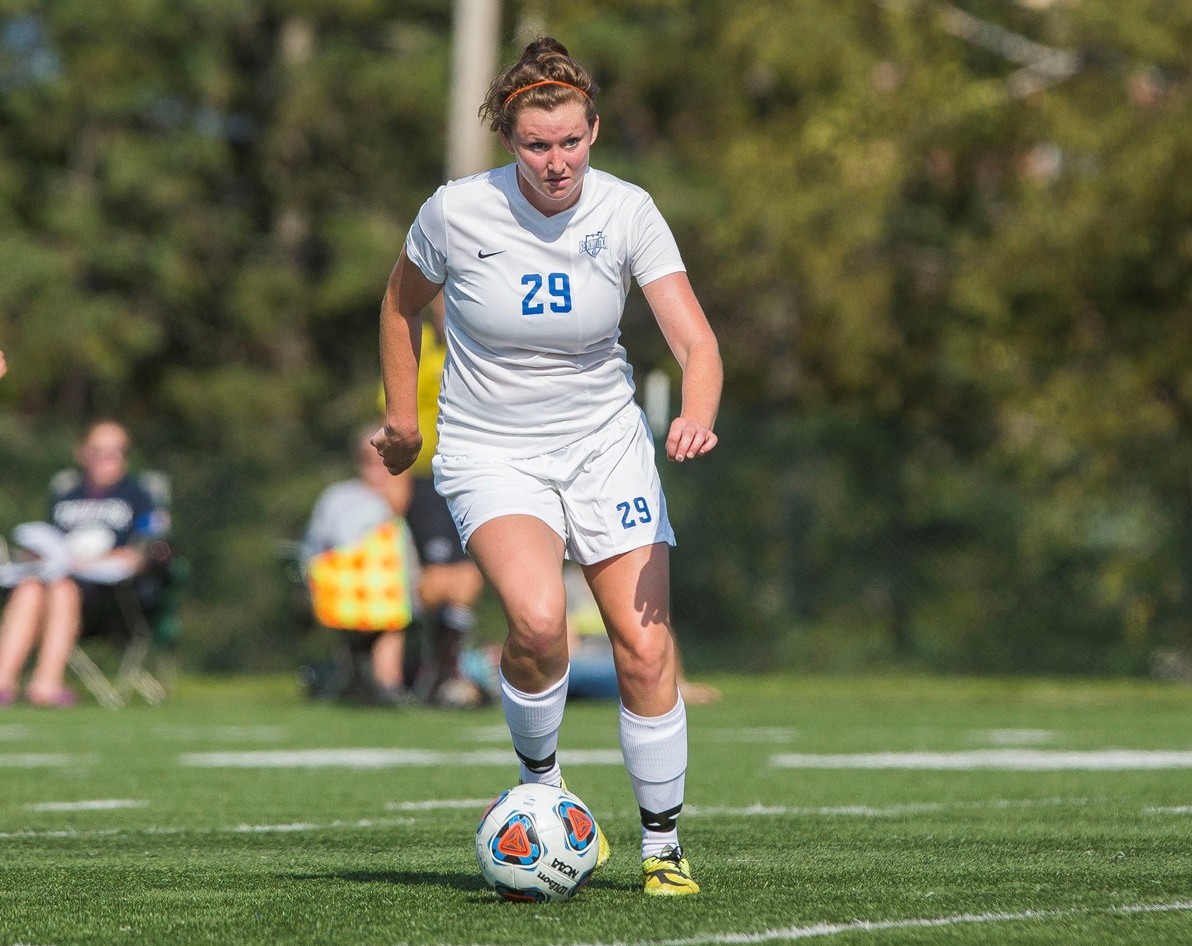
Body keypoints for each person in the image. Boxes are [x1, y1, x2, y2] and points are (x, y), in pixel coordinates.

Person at [371, 37, 722, 896]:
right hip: (494, 450)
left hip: (607, 446)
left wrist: (696, 416)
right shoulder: (456, 212)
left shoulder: (627, 210)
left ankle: (662, 848)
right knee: (535, 625)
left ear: (593, 130)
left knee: (644, 648)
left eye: (570, 141)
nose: (555, 161)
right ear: (509, 141)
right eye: (537, 144)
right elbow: (397, 306)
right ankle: (543, 788)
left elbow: (695, 339)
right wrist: (401, 420)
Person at [0, 420, 161, 707]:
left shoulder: (138, 495)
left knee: (62, 589)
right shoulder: (66, 493)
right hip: (56, 583)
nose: (106, 460)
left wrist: (97, 560)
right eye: (97, 451)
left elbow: (144, 551)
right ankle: (3, 682)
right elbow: (51, 540)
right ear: (83, 453)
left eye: (116, 452)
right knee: (29, 588)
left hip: (108, 598)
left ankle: (45, 685)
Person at [383, 295, 487, 708]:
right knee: (435, 580)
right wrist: (394, 476)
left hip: (479, 474)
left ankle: (449, 670)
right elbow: (392, 417)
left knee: (468, 579)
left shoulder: (483, 345)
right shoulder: (417, 345)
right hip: (427, 478)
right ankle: (427, 667)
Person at [301, 426, 419, 706]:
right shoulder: (338, 498)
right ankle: (366, 681)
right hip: (347, 590)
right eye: (370, 459)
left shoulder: (400, 498)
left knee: (392, 614)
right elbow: (316, 548)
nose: (376, 467)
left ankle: (385, 683)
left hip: (389, 593)